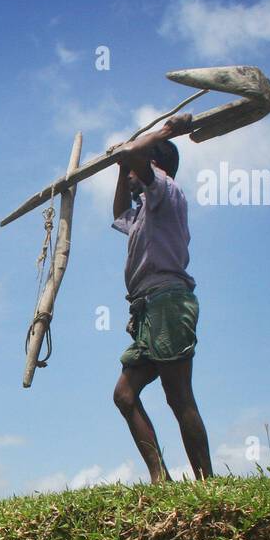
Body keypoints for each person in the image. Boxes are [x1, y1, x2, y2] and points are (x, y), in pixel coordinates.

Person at [109, 113, 212, 483]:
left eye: (137, 167)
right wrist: (122, 165)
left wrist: (165, 133)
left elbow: (138, 153)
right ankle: (160, 478)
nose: (132, 173)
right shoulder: (141, 212)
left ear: (155, 165)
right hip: (147, 310)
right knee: (125, 395)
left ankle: (206, 482)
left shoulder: (166, 191)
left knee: (178, 395)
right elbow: (119, 212)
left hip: (168, 302)